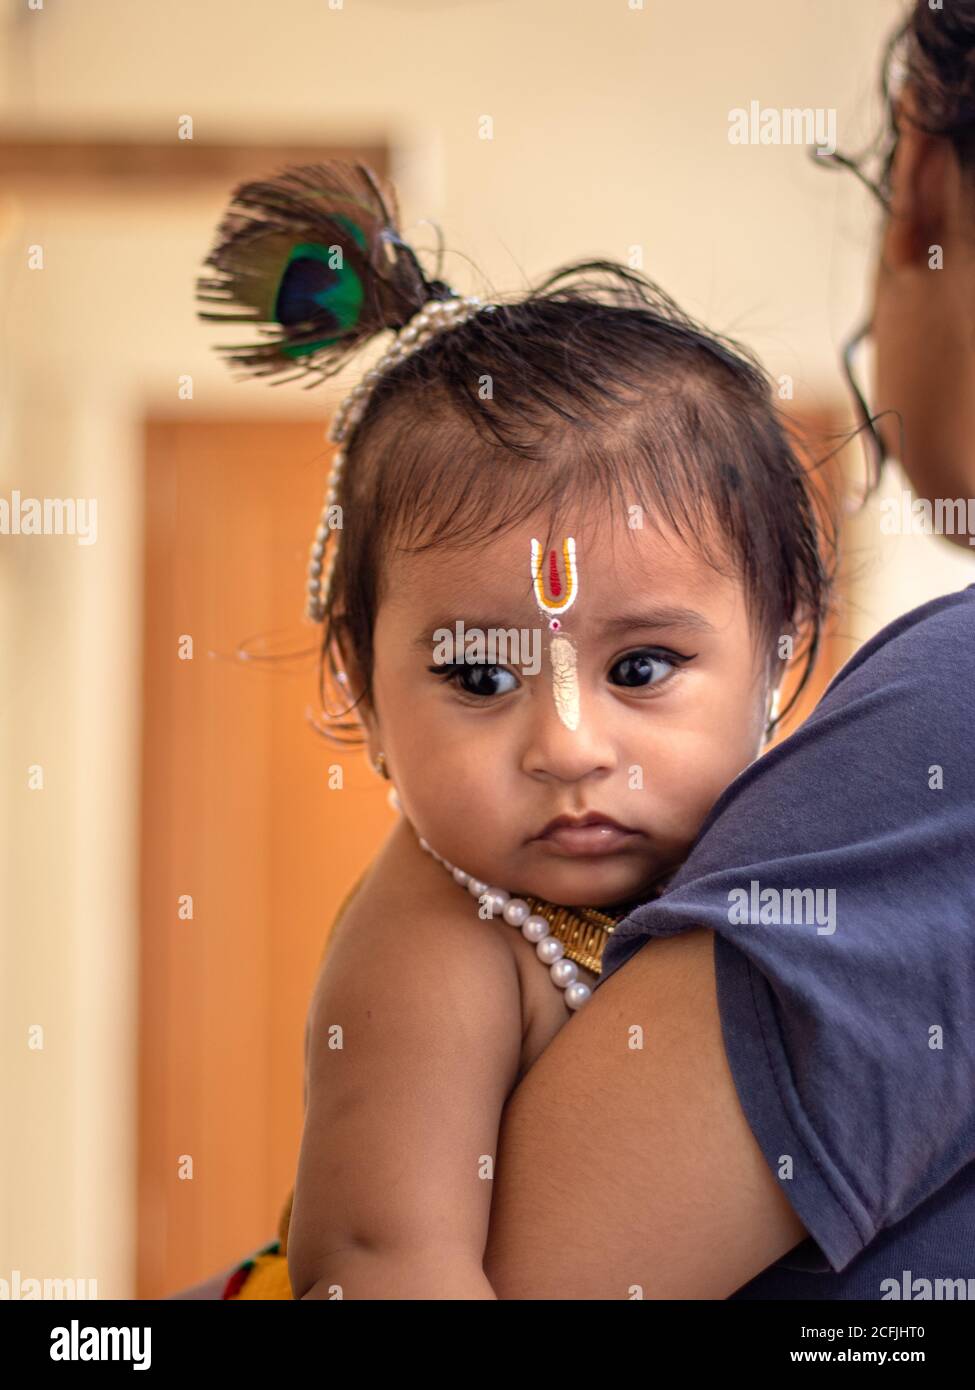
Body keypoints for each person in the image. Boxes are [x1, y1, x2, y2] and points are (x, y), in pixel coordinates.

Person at [181, 155, 834, 1298]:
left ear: (782, 646)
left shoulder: (802, 843)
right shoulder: (440, 940)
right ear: (364, 689)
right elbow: (382, 1262)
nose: (569, 745)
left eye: (641, 666)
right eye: (481, 677)